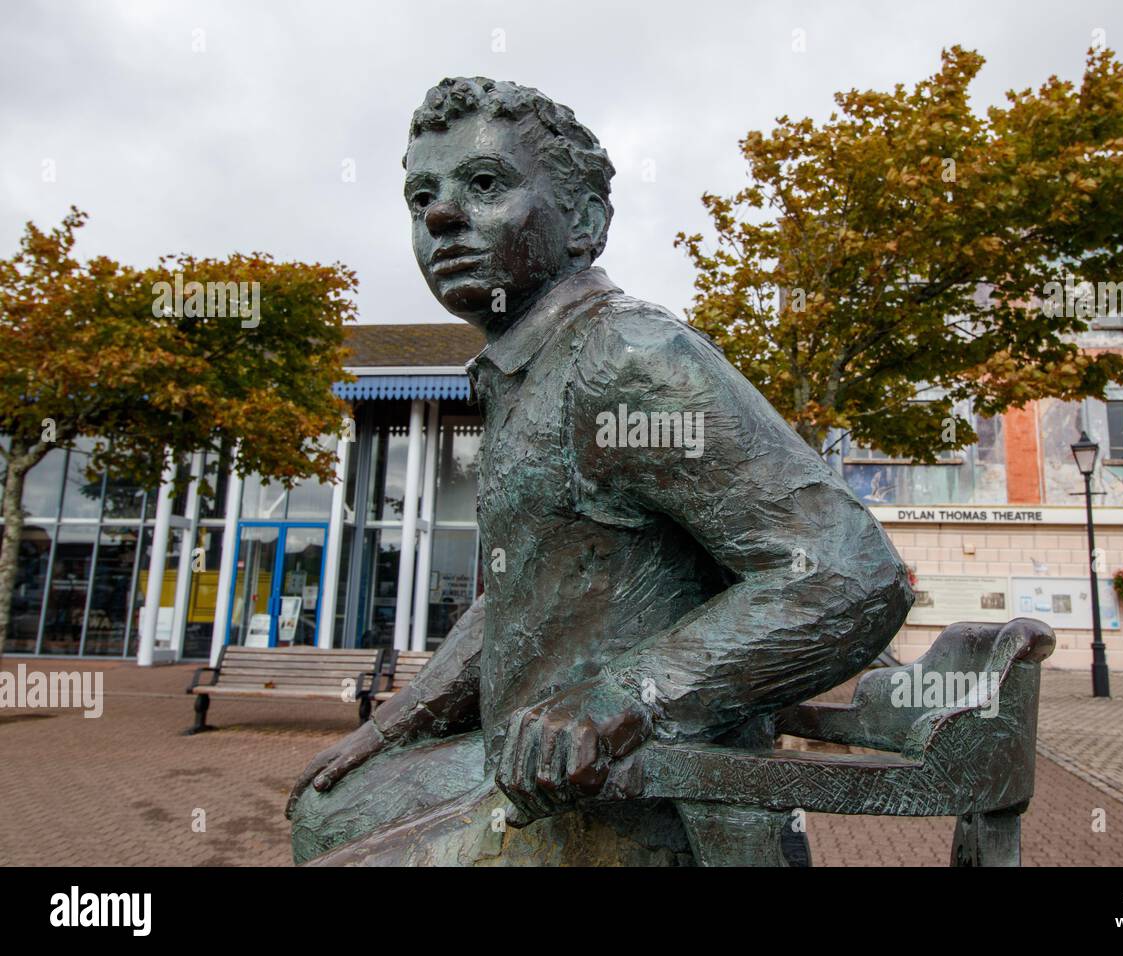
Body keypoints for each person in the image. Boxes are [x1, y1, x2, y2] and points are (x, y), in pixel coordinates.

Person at [287, 77, 913, 865]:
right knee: (327, 808)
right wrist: (396, 719)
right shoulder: (522, 372)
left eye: (484, 185)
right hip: (530, 778)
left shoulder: (628, 356)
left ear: (585, 222)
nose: (441, 216)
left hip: (642, 796)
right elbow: (525, 594)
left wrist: (624, 697)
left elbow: (851, 573)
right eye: (421, 197)